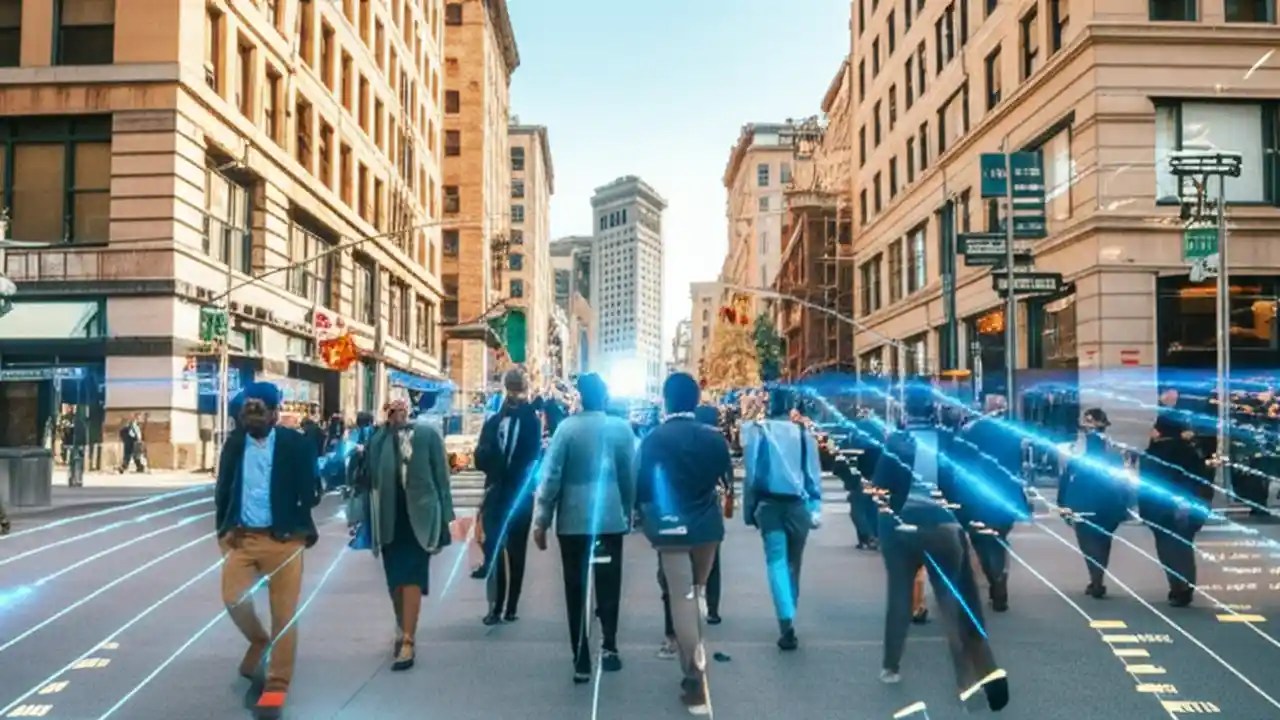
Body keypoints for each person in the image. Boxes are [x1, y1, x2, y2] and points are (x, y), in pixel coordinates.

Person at [870, 383, 1008, 711]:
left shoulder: (896, 443)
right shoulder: (947, 441)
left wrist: (885, 525)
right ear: (934, 408)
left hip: (903, 529)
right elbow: (961, 485)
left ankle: (891, 666)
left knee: (900, 597)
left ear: (905, 410)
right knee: (950, 603)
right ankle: (964, 676)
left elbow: (879, 490)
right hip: (944, 527)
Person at [213, 382, 320, 720]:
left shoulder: (296, 445)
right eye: (249, 411)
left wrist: (302, 511)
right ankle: (259, 641)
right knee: (233, 598)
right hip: (243, 538)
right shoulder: (234, 444)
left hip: (285, 540)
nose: (253, 417)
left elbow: (313, 491)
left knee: (283, 615)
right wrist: (223, 529)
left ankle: (277, 683)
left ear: (275, 414)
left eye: (260, 411)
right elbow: (223, 489)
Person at [636, 373, 731, 715]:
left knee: (681, 597)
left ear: (665, 399)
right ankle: (694, 662)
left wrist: (646, 520)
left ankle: (694, 674)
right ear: (696, 398)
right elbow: (722, 477)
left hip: (671, 526)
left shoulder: (653, 439)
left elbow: (643, 488)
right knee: (698, 592)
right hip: (706, 525)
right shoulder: (714, 439)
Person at [533, 373, 636, 683]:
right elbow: (629, 475)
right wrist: (627, 512)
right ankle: (610, 646)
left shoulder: (566, 429)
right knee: (609, 582)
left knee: (575, 587)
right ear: (604, 397)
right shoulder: (620, 429)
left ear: (579, 397)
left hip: (573, 522)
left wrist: (541, 519)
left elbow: (550, 477)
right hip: (608, 520)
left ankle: (580, 658)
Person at [365, 398, 455, 670]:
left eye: (402, 411)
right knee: (395, 581)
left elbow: (442, 476)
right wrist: (384, 431)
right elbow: (369, 478)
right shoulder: (379, 439)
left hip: (421, 517)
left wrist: (446, 518)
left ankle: (408, 640)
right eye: (393, 411)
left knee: (413, 577)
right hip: (390, 518)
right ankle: (402, 623)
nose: (398, 416)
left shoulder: (427, 435)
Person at [740, 389, 822, 651]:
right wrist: (815, 508)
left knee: (776, 562)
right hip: (798, 507)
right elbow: (813, 476)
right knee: (793, 563)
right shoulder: (803, 435)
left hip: (769, 506)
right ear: (791, 408)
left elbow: (751, 476)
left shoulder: (758, 433)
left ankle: (785, 622)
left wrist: (749, 510)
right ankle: (790, 612)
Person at [476, 368, 543, 625]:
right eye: (512, 388)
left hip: (520, 495)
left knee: (516, 551)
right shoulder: (494, 422)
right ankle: (495, 606)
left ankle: (511, 605)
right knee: (494, 548)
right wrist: (491, 459)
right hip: (496, 493)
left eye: (519, 388)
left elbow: (533, 458)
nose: (516, 393)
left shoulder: (532, 422)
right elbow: (479, 458)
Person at [955, 395, 1029, 612]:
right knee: (999, 539)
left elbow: (961, 462)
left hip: (977, 492)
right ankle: (999, 582)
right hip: (1006, 494)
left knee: (980, 540)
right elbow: (1018, 463)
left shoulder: (971, 430)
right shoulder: (1012, 432)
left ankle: (994, 579)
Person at [1140, 413, 1213, 607]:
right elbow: (1201, 481)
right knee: (1184, 545)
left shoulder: (1153, 453)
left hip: (1160, 508)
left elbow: (1146, 484)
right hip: (1188, 507)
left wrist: (1144, 510)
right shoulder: (1191, 453)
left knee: (1165, 546)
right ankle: (1187, 585)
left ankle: (1176, 586)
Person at [1059, 409, 1130, 599]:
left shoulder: (1078, 448)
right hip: (1107, 500)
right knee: (1102, 540)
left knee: (1088, 539)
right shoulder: (1112, 449)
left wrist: (1063, 502)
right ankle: (1097, 577)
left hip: (1086, 498)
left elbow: (1066, 477)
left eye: (1089, 421)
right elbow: (1123, 479)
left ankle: (1096, 578)